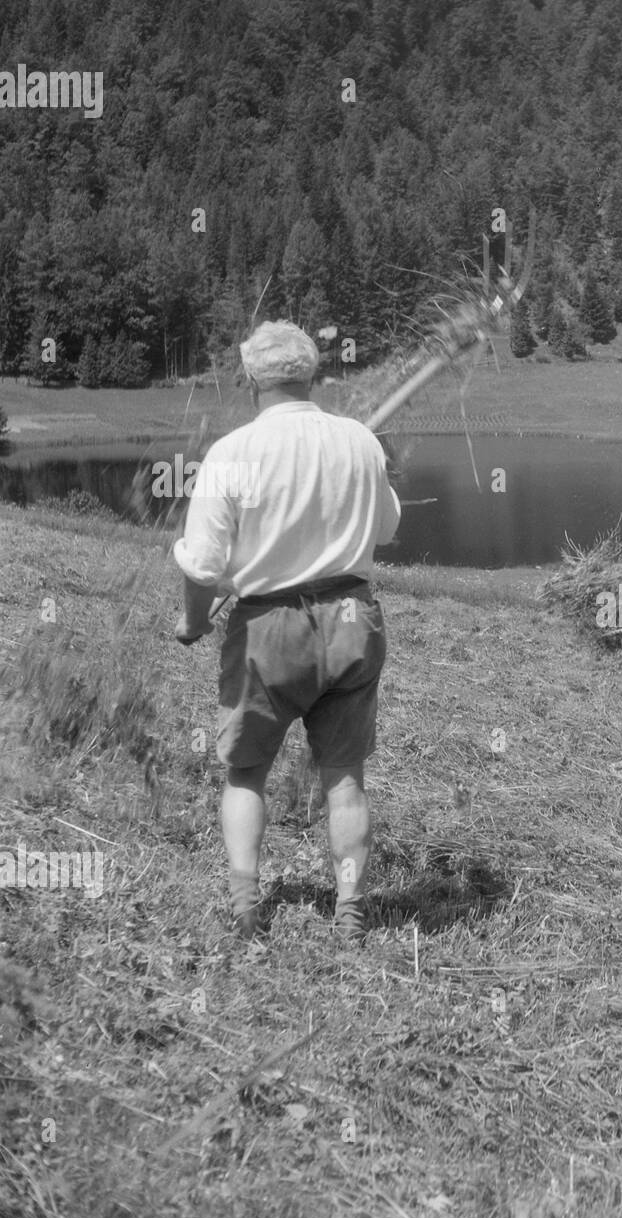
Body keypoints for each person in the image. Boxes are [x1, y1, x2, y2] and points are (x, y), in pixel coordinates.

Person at [172, 320, 402, 941]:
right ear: (314, 376)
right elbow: (385, 531)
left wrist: (193, 624)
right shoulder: (360, 440)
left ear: (251, 379)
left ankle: (247, 911)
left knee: (246, 772)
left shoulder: (232, 453)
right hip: (352, 620)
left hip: (268, 628)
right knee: (345, 776)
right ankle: (350, 912)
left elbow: (202, 565)